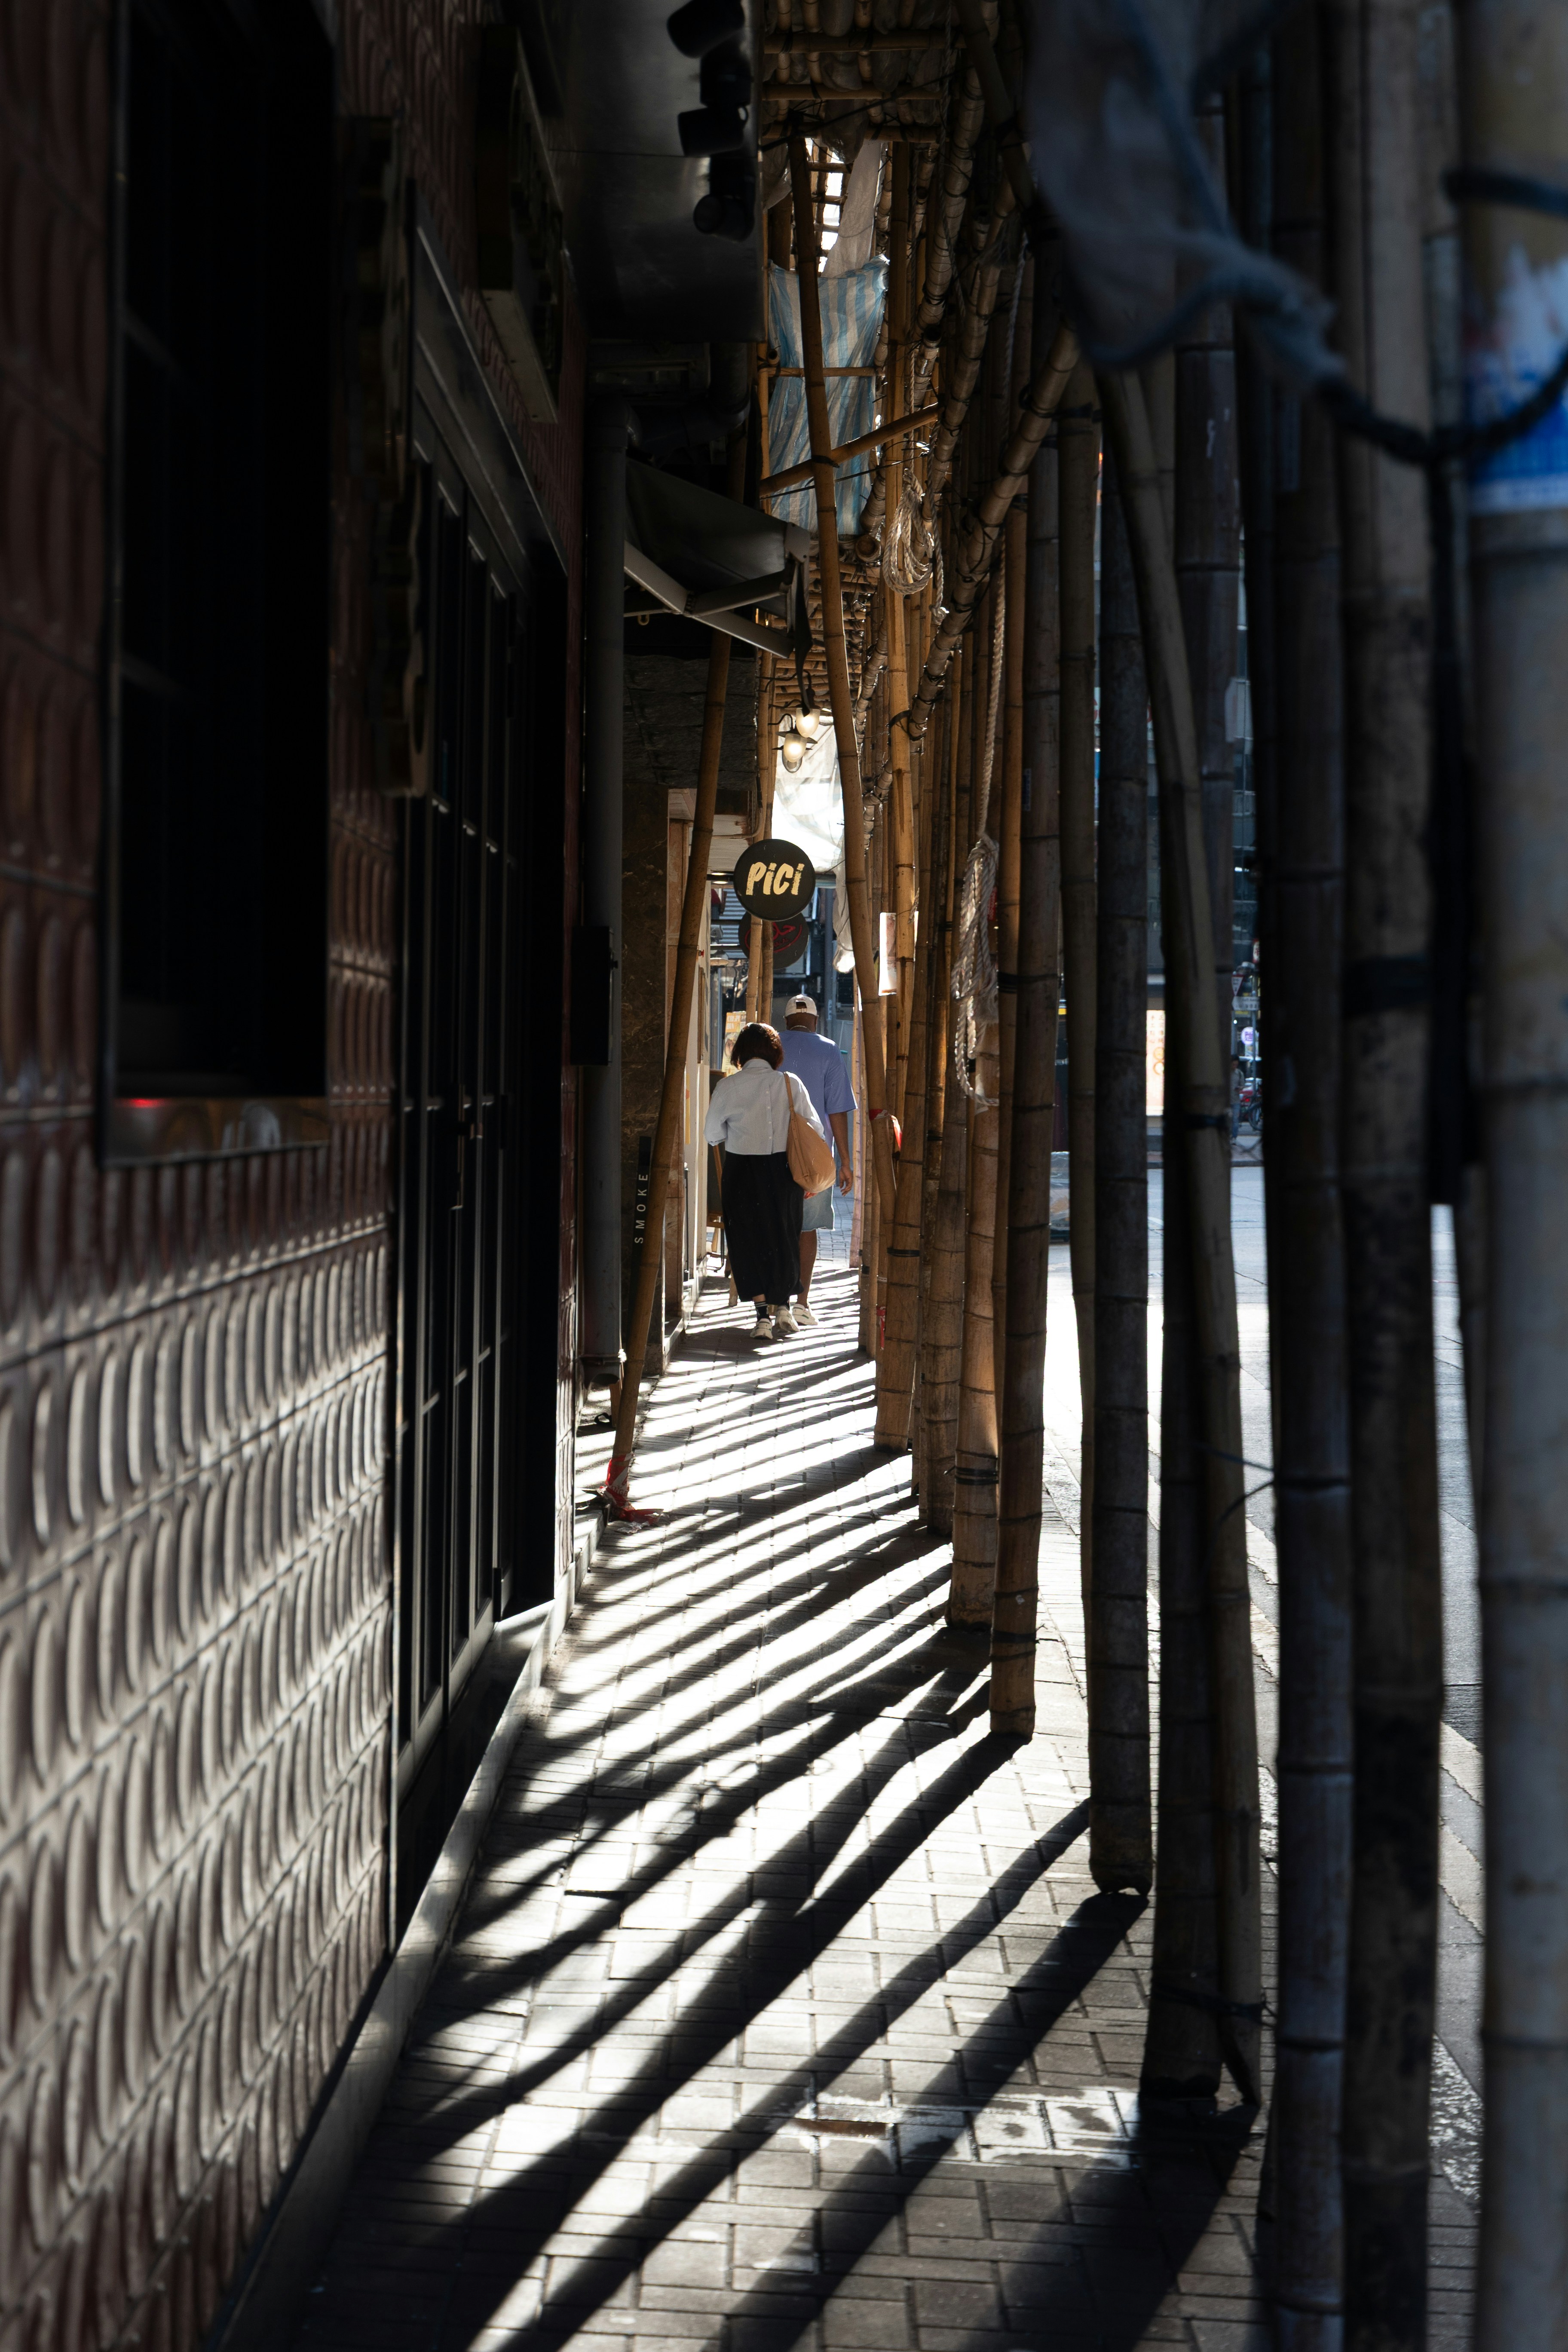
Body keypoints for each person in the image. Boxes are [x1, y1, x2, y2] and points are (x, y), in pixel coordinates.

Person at [704, 1022, 827, 1343]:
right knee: (784, 1235)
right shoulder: (791, 1083)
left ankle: (761, 1318)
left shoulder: (728, 1087)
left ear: (741, 1052)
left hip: (742, 1171)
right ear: (775, 1053)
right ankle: (784, 1307)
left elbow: (711, 1134)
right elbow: (815, 1129)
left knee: (748, 1240)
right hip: (784, 1171)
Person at [777, 991, 854, 1325]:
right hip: (816, 1157)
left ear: (786, 1021)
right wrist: (845, 1162)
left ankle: (776, 1303)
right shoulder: (828, 1050)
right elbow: (837, 1110)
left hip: (772, 1151)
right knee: (807, 1229)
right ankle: (802, 1303)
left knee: (777, 1226)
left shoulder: (770, 1045)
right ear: (815, 1020)